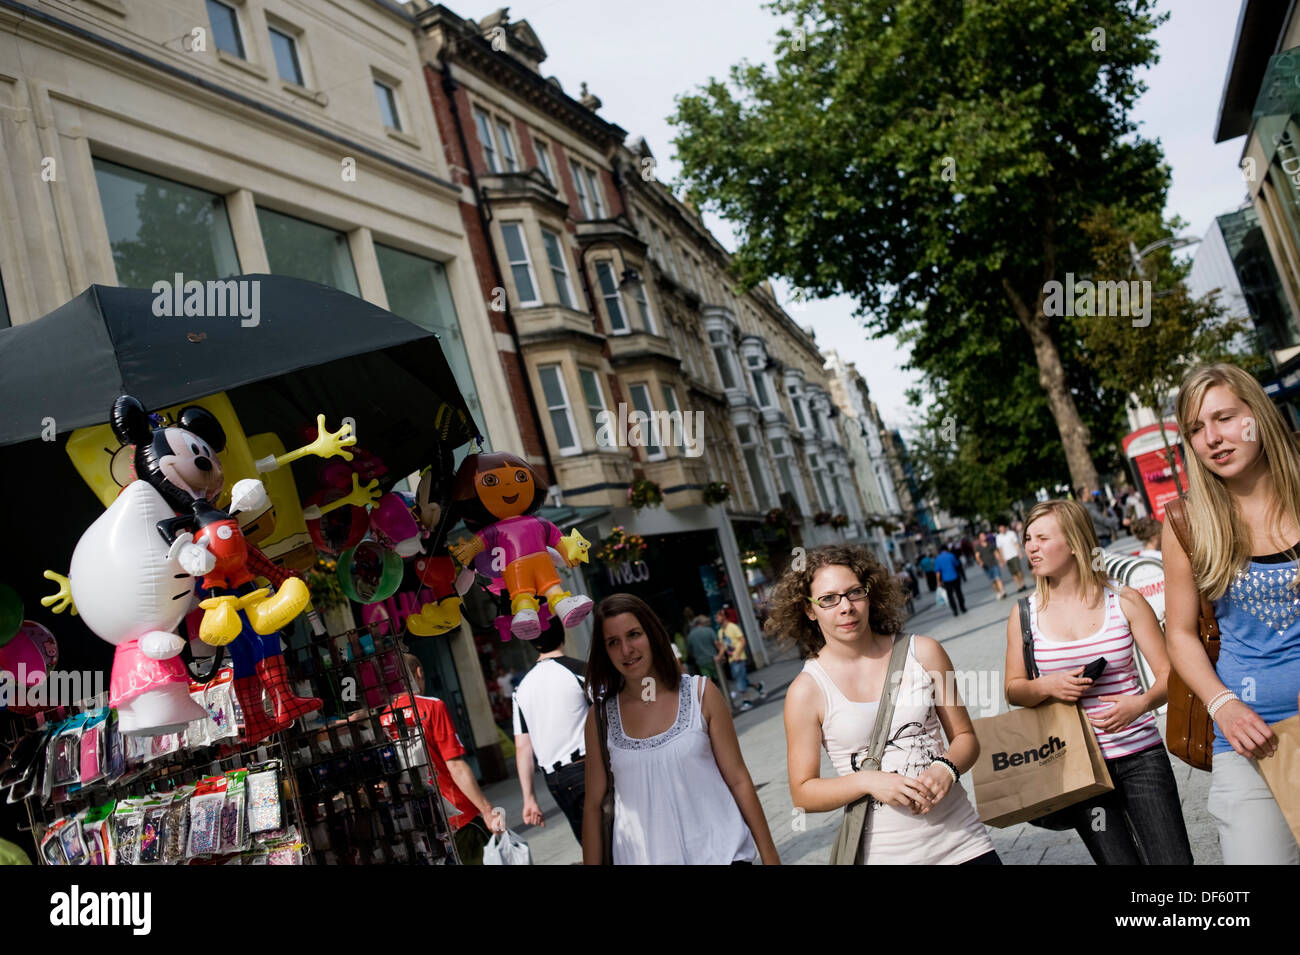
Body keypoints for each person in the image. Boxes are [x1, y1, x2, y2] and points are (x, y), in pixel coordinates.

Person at [771, 544, 997, 864]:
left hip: (965, 842)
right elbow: (803, 792)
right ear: (809, 610)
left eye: (854, 593)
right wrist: (866, 780)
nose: (845, 607)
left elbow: (966, 739)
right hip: (885, 854)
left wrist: (946, 768)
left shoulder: (924, 652)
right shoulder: (806, 690)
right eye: (828, 599)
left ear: (869, 594)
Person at [1163, 362, 1300, 865]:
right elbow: (1179, 634)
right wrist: (1223, 705)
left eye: (1224, 418)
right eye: (1197, 428)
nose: (1213, 438)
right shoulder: (1186, 520)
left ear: (1257, 415)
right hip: (1248, 740)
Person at [1004, 500, 1193, 864]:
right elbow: (1013, 688)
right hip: (1077, 766)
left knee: (1173, 861)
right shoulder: (1024, 613)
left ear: (1074, 542)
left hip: (1141, 757)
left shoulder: (1124, 601)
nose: (1030, 547)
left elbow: (1172, 674)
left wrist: (1140, 704)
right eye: (1028, 538)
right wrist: (1047, 686)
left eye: (1042, 537)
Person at [581, 593, 780, 864]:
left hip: (721, 854)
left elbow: (738, 780)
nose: (626, 649)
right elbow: (593, 807)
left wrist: (770, 855)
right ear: (605, 652)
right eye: (613, 642)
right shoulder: (599, 718)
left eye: (634, 634)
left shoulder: (701, 694)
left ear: (652, 634)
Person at [381, 654, 507, 864]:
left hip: (417, 822)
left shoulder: (381, 719)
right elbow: (455, 765)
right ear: (418, 673)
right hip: (456, 814)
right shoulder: (431, 706)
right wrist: (487, 810)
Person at [512, 617, 589, 844]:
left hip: (554, 779)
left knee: (590, 845)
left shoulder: (522, 688)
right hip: (586, 768)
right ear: (562, 633)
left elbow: (522, 747)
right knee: (615, 842)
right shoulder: (580, 671)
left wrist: (529, 799)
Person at [717, 608, 765, 710]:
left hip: (739, 658)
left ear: (724, 616)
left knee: (740, 681)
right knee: (741, 679)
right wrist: (720, 656)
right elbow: (723, 646)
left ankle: (746, 701)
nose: (716, 619)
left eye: (718, 617)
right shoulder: (721, 632)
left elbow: (742, 641)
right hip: (731, 660)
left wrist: (737, 654)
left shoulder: (733, 627)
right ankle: (758, 686)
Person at [934, 544, 967, 616]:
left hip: (946, 580)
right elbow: (957, 564)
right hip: (955, 577)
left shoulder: (937, 559)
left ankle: (955, 610)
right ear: (946, 549)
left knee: (950, 596)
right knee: (959, 593)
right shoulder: (951, 555)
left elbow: (938, 572)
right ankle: (962, 607)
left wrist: (938, 582)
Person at [995, 522, 1026, 591]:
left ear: (1005, 527)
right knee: (1013, 573)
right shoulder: (998, 537)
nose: (1002, 529)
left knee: (1018, 570)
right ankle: (1019, 586)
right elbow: (1000, 549)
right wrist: (1002, 559)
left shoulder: (1011, 533)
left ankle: (1023, 583)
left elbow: (1016, 544)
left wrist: (1020, 553)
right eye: (1000, 529)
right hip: (1006, 557)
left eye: (1002, 528)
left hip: (1014, 554)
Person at [975, 531, 1006, 600]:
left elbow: (996, 553)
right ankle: (998, 592)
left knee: (998, 578)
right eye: (981, 536)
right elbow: (977, 556)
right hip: (986, 567)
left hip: (994, 564)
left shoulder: (990, 544)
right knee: (993, 581)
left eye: (984, 536)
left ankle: (1002, 591)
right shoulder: (978, 547)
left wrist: (1000, 561)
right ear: (979, 538)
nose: (983, 537)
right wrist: (980, 562)